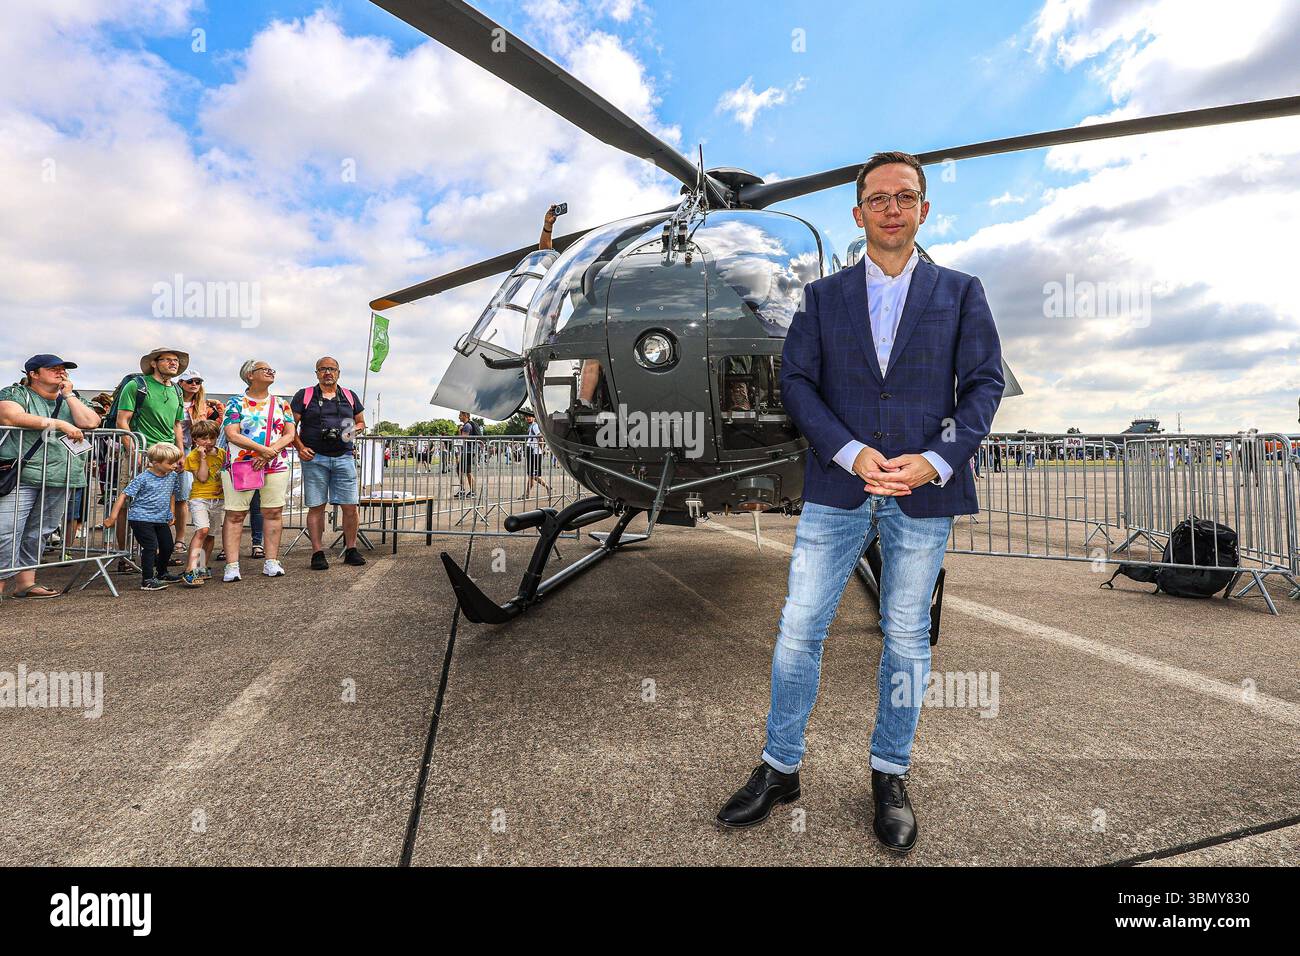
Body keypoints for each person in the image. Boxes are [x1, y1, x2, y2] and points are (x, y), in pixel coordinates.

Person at [715, 152, 1004, 854]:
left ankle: (889, 774)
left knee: (906, 637)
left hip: (922, 494)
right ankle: (782, 768)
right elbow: (799, 383)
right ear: (859, 213)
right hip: (839, 489)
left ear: (924, 210)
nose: (893, 208)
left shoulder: (961, 292)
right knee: (798, 630)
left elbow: (985, 385)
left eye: (906, 196)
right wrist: (851, 452)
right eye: (879, 198)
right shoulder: (822, 298)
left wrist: (934, 460)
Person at [0, 355, 102, 598]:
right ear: (34, 374)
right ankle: (1, 586)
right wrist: (59, 424)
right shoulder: (17, 393)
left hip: (61, 475)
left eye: (63, 369)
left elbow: (92, 422)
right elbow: (9, 417)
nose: (61, 372)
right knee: (6, 531)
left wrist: (69, 396)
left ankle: (26, 583)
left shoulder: (70, 399)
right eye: (53, 369)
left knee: (40, 531)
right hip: (23, 476)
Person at [220, 360, 296, 581]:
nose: (271, 371)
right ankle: (232, 565)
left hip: (275, 463)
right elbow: (232, 434)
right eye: (265, 369)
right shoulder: (236, 403)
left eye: (273, 368)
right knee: (235, 514)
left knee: (273, 512)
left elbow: (289, 433)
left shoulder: (282, 404)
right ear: (250, 375)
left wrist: (269, 453)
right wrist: (262, 451)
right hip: (241, 464)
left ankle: (271, 561)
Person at [112, 348, 187, 571]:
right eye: (168, 360)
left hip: (168, 456)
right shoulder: (136, 385)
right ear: (154, 363)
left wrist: (180, 452)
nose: (174, 364)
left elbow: (177, 425)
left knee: (163, 503)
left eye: (176, 361)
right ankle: (123, 556)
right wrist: (133, 451)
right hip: (142, 451)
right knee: (127, 503)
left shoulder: (177, 390)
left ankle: (155, 554)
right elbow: (122, 421)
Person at [291, 356, 367, 570]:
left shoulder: (350, 396)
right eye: (323, 369)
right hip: (314, 457)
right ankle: (317, 552)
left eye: (332, 369)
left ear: (338, 373)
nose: (327, 373)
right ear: (316, 373)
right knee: (316, 506)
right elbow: (291, 426)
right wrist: (300, 447)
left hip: (344, 456)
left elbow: (361, 421)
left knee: (350, 506)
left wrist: (351, 430)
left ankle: (351, 549)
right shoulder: (305, 395)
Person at [103, 441, 187, 591]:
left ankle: (162, 573)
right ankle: (147, 579)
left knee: (167, 546)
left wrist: (171, 512)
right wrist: (112, 517)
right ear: (155, 462)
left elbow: (172, 493)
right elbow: (124, 495)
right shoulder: (143, 478)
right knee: (150, 547)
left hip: (160, 518)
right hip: (141, 518)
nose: (175, 465)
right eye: (171, 463)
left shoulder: (172, 476)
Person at [180, 419, 225, 587]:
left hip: (218, 498)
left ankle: (202, 565)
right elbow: (203, 477)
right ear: (195, 440)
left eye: (212, 438)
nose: (208, 442)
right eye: (204, 438)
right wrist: (203, 458)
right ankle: (190, 568)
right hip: (200, 497)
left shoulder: (221, 453)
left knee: (211, 534)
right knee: (202, 530)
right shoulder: (193, 456)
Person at [519, 411, 551, 500]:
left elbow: (540, 437)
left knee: (534, 475)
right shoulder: (531, 426)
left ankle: (548, 488)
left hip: (535, 453)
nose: (528, 418)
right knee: (530, 475)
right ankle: (527, 494)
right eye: (526, 417)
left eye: (530, 416)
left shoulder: (535, 426)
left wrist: (541, 449)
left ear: (534, 417)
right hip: (532, 452)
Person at [454, 411, 479, 499]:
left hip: (468, 451)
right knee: (462, 470)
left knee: (464, 471)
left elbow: (463, 438)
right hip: (468, 451)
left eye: (460, 415)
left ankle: (470, 491)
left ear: (465, 415)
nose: (459, 417)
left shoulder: (467, 426)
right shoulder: (466, 425)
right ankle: (465, 490)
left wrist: (459, 430)